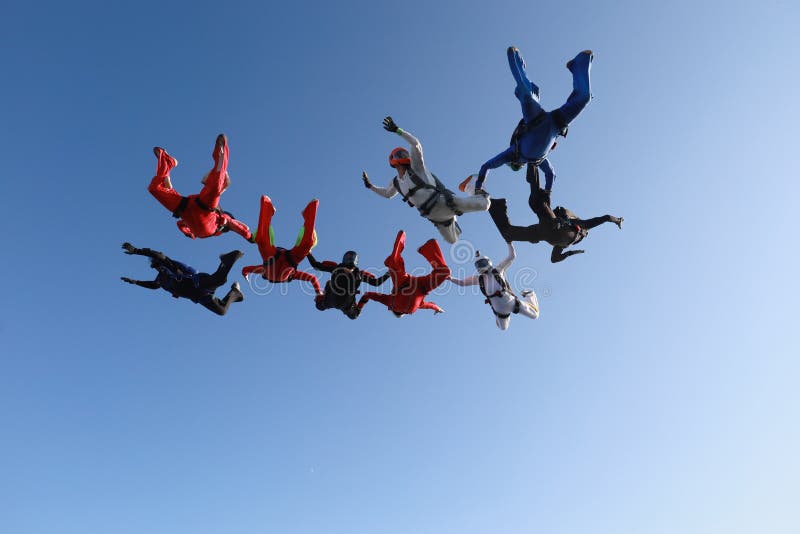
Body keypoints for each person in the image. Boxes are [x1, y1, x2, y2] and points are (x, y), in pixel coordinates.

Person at [470, 47, 593, 193]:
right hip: (556, 124)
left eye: (515, 166)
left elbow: (486, 166)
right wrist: (547, 193)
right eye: (517, 166)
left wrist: (478, 186)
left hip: (535, 121)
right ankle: (578, 64)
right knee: (584, 97)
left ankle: (516, 59)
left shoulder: (513, 153)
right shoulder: (538, 161)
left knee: (526, 93)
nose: (517, 165)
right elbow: (551, 174)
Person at [362, 117, 489, 244]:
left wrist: (398, 130)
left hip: (447, 202)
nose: (405, 156)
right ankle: (453, 222)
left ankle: (472, 187)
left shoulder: (416, 167)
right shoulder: (396, 182)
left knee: (485, 204)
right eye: (401, 155)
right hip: (435, 217)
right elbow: (387, 194)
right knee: (453, 240)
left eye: (405, 154)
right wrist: (370, 186)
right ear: (393, 160)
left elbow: (415, 144)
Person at [488, 165, 623, 263]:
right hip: (548, 230)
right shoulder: (574, 233)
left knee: (534, 208)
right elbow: (554, 259)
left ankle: (496, 204)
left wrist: (616, 220)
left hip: (547, 230)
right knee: (534, 207)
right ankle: (531, 163)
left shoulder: (573, 234)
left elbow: (604, 218)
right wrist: (616, 220)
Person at [148, 134, 254, 241]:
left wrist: (189, 233)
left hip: (185, 208)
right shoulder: (223, 217)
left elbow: (180, 224)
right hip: (201, 208)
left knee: (154, 189)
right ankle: (220, 154)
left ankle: (167, 163)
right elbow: (238, 226)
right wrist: (250, 237)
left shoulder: (221, 223)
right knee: (216, 186)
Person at [120, 242, 244, 315]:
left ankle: (226, 260)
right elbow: (153, 285)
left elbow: (159, 255)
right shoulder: (161, 280)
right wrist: (135, 282)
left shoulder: (170, 266)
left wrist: (137, 250)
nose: (158, 268)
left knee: (219, 280)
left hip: (197, 282)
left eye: (158, 264)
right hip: (199, 297)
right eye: (155, 266)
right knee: (222, 311)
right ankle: (235, 293)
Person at [356, 230, 450, 317]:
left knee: (444, 272)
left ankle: (427, 247)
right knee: (394, 264)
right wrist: (359, 307)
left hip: (406, 284)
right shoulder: (391, 302)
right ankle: (426, 248)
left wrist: (437, 308)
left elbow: (429, 305)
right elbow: (368, 294)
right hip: (418, 285)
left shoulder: (391, 302)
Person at [241, 196, 322, 295]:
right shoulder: (293, 274)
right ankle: (308, 212)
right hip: (290, 259)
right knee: (308, 243)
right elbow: (312, 278)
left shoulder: (263, 269)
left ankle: (268, 207)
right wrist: (318, 292)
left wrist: (245, 274)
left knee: (261, 239)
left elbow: (246, 269)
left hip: (272, 257)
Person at [450, 244, 540, 330]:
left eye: (482, 263)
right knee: (503, 328)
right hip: (500, 311)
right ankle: (500, 314)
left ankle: (529, 294)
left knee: (535, 315)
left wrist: (509, 242)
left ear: (489, 262)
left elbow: (512, 256)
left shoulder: (498, 270)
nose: (480, 266)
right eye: (478, 265)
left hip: (513, 303)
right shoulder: (479, 279)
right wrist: (450, 278)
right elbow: (461, 283)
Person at [307, 250, 390, 319]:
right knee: (354, 315)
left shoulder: (338, 269)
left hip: (335, 300)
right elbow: (377, 283)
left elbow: (315, 265)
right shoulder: (357, 274)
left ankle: (324, 294)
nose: (349, 259)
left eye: (350, 258)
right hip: (344, 303)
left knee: (320, 305)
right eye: (348, 258)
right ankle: (324, 294)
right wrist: (389, 273)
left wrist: (308, 252)